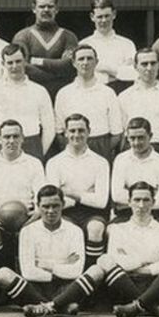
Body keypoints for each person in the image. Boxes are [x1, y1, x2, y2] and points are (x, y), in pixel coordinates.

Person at [25, 181, 159, 317]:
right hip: (125, 283)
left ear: (153, 202)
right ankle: (150, 306)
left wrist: (138, 268)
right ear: (129, 202)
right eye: (136, 200)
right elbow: (116, 261)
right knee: (104, 261)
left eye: (146, 200)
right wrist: (148, 259)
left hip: (157, 284)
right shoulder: (118, 229)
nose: (141, 205)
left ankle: (138, 306)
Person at [0, 185, 85, 314]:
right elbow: (28, 272)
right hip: (36, 287)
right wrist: (63, 265)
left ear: (63, 205)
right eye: (46, 206)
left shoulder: (75, 231)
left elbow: (76, 271)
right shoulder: (27, 231)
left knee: (95, 272)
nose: (51, 211)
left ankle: (40, 307)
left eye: (55, 206)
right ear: (38, 206)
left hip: (64, 287)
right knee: (3, 274)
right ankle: (58, 306)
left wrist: (44, 265)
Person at [0, 119, 45, 268]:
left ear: (22, 139)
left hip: (27, 217)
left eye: (15, 136)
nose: (11, 141)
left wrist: (36, 215)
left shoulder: (34, 163)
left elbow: (41, 196)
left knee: (31, 234)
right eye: (6, 137)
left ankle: (25, 277)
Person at [45, 114, 109, 267]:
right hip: (64, 212)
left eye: (81, 130)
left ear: (89, 132)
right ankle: (69, 274)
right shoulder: (54, 162)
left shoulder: (100, 162)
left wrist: (70, 193)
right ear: (65, 133)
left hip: (92, 212)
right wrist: (87, 195)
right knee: (65, 230)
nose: (76, 135)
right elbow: (53, 200)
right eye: (72, 131)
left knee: (95, 228)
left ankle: (93, 274)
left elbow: (101, 201)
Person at [0, 44, 55, 161]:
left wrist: (39, 153)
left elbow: (49, 129)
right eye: (10, 63)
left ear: (25, 61)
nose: (14, 66)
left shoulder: (39, 91)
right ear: (3, 64)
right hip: (2, 148)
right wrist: (0, 150)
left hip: (32, 146)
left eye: (18, 61)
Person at [54, 44, 123, 162]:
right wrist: (75, 148)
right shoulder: (64, 93)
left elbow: (117, 133)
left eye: (89, 58)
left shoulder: (108, 92)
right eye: (81, 59)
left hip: (100, 146)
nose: (85, 63)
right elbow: (59, 131)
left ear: (96, 62)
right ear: (74, 63)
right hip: (72, 148)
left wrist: (102, 149)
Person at [111, 117, 159, 236]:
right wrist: (151, 195)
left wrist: (131, 196)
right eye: (132, 138)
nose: (136, 143)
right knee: (111, 231)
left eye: (141, 137)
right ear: (127, 138)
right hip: (127, 213)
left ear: (150, 136)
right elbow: (116, 195)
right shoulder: (120, 160)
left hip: (158, 215)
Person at [12, 0, 78, 100]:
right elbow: (23, 67)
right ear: (34, 8)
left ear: (56, 9)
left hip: (62, 95)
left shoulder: (68, 36)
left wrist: (37, 61)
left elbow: (69, 66)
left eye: (50, 6)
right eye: (42, 6)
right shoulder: (22, 36)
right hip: (31, 95)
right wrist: (57, 73)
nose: (46, 10)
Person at [117, 48, 159, 159]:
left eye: (153, 63)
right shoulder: (124, 96)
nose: (149, 68)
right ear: (136, 67)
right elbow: (121, 131)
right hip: (132, 150)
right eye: (144, 64)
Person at [78, 0, 137, 92]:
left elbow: (133, 73)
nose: (104, 20)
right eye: (100, 17)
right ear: (92, 17)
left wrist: (104, 69)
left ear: (114, 14)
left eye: (107, 16)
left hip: (121, 91)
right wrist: (119, 71)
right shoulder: (84, 44)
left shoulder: (127, 44)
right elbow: (83, 75)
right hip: (93, 92)